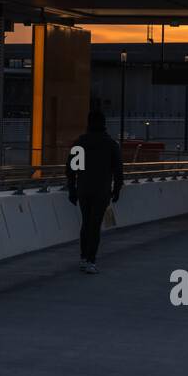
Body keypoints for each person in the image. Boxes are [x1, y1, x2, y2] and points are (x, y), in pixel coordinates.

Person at [66, 109, 124, 274]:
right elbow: (118, 170)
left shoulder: (80, 143)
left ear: (88, 123)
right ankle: (91, 260)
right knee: (95, 225)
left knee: (85, 223)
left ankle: (83, 258)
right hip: (102, 190)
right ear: (104, 124)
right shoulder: (111, 144)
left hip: (83, 189)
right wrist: (117, 189)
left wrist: (72, 190)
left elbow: (71, 170)